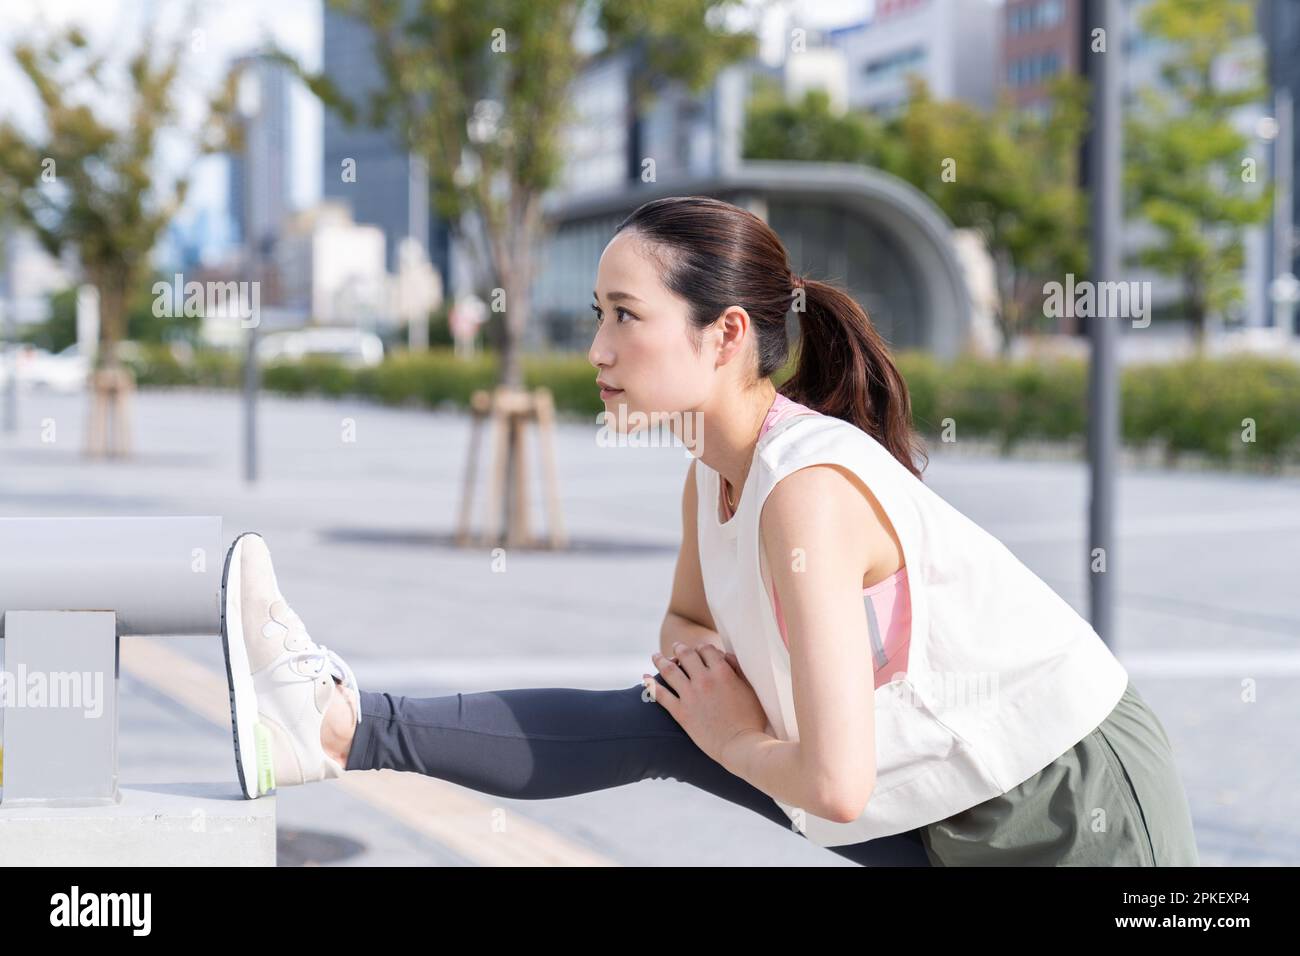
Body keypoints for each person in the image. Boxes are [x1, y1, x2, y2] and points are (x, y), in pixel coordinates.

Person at [220, 195, 1199, 866]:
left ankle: (338, 724)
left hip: (1074, 806)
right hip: (943, 801)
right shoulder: (715, 471)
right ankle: (336, 726)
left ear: (726, 333)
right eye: (596, 315)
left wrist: (732, 728)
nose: (597, 349)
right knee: (678, 718)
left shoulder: (802, 489)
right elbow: (686, 633)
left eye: (624, 317)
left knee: (697, 726)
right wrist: (719, 710)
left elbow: (834, 781)